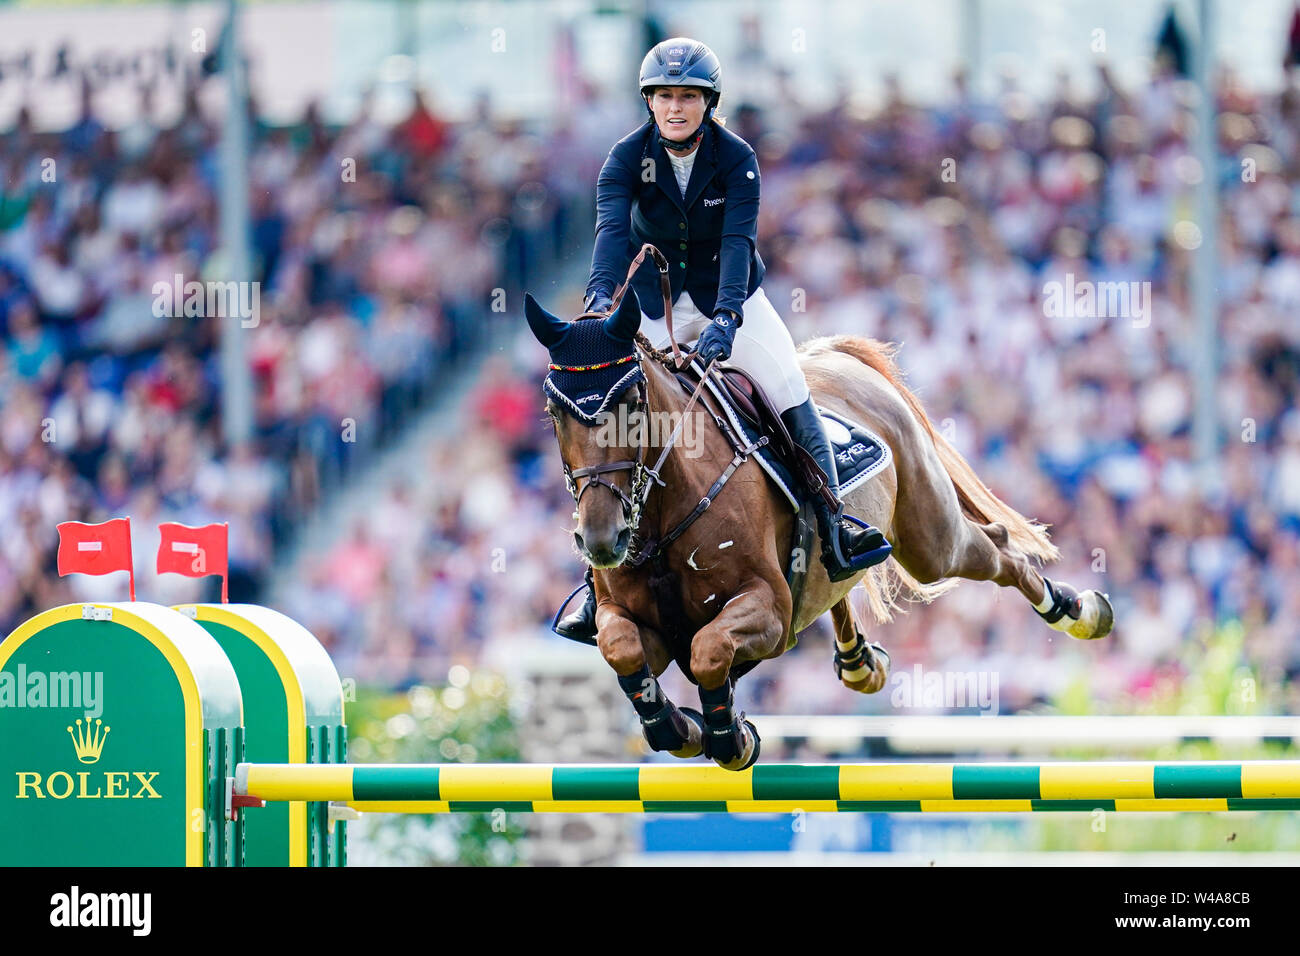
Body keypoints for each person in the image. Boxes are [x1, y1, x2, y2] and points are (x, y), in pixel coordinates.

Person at [555, 38, 891, 642]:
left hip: (727, 301)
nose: (675, 108)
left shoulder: (736, 158)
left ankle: (837, 524)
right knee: (611, 408)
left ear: (708, 103)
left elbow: (738, 243)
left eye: (687, 97)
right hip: (654, 306)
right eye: (664, 97)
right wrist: (599, 305)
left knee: (787, 384)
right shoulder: (625, 159)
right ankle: (594, 578)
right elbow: (610, 234)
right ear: (649, 102)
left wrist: (729, 319)